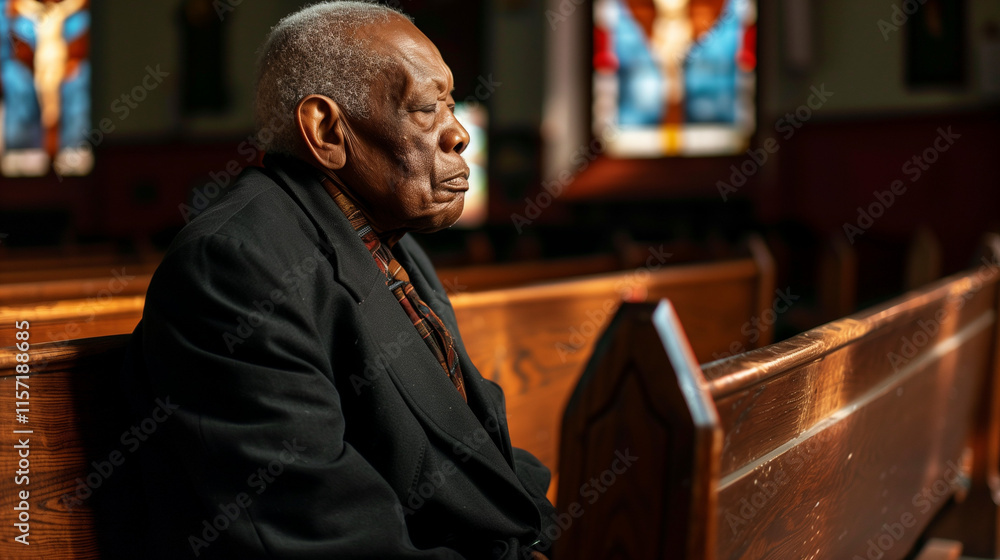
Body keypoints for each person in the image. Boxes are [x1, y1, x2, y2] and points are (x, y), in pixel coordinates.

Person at [121, 2, 555, 558]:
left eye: (451, 105)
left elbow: (477, 445)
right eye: (427, 109)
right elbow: (324, 535)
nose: (460, 134)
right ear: (327, 130)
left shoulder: (390, 241)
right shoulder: (232, 267)